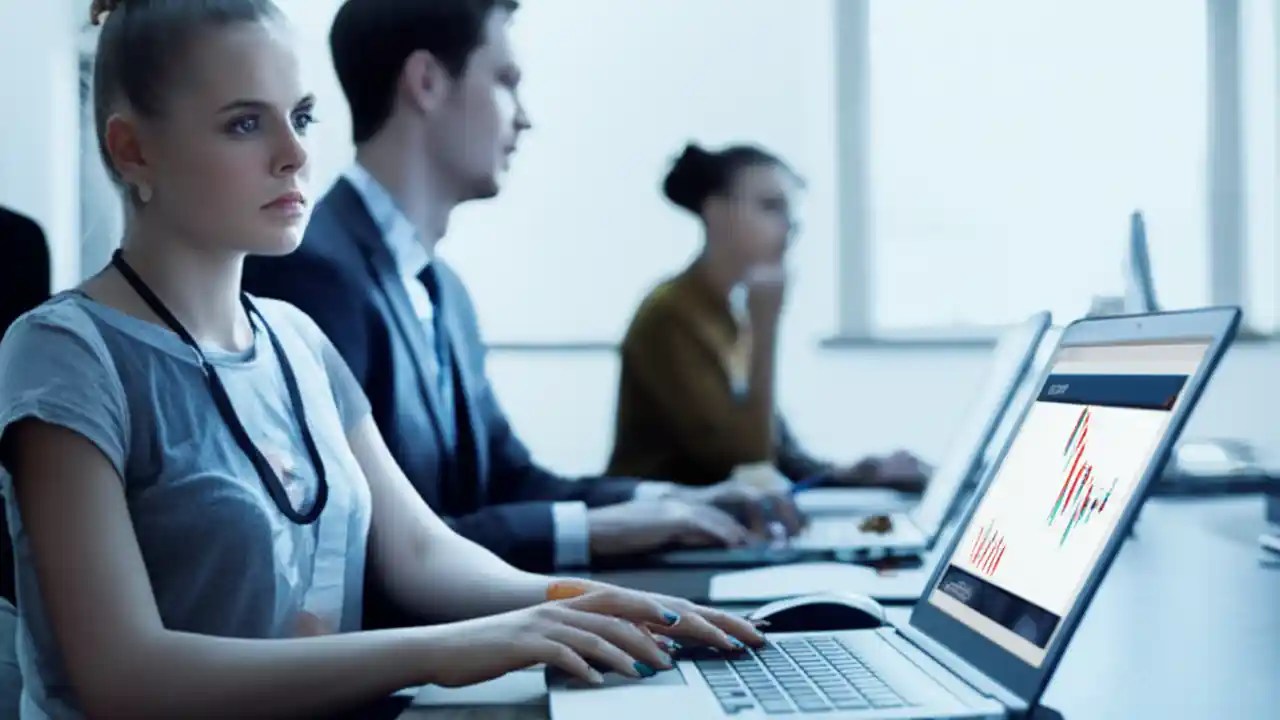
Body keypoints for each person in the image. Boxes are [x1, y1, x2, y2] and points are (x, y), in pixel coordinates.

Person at [0, 3, 764, 717]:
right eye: (244, 125)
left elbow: (421, 550)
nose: (296, 154)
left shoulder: (298, 339)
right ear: (132, 149)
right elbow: (123, 674)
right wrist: (448, 649)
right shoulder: (65, 353)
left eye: (301, 117)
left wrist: (575, 600)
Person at [243, 0, 802, 592]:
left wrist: (669, 501)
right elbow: (372, 546)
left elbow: (511, 479)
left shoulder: (444, 291)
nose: (526, 118)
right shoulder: (308, 272)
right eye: (506, 81)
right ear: (426, 83)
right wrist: (597, 530)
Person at [607, 142, 930, 491]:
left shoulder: (727, 314)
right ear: (715, 212)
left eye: (791, 211)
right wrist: (766, 328)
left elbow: (779, 453)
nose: (790, 225)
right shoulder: (670, 314)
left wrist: (856, 473)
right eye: (770, 206)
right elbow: (744, 464)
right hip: (664, 530)